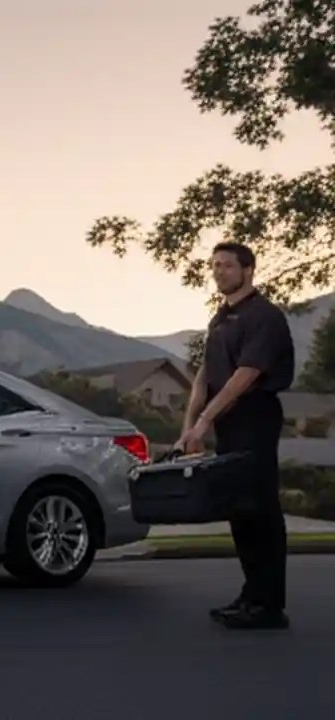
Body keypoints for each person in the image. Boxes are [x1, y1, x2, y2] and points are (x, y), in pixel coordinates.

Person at [177, 241, 294, 630]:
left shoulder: (265, 317)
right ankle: (251, 595)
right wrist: (188, 426)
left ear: (248, 270)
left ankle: (269, 605)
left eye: (226, 265)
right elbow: (205, 375)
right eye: (214, 266)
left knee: (261, 509)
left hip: (254, 416)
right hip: (225, 419)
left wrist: (206, 420)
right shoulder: (220, 318)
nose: (218, 271)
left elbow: (244, 377)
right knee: (239, 509)